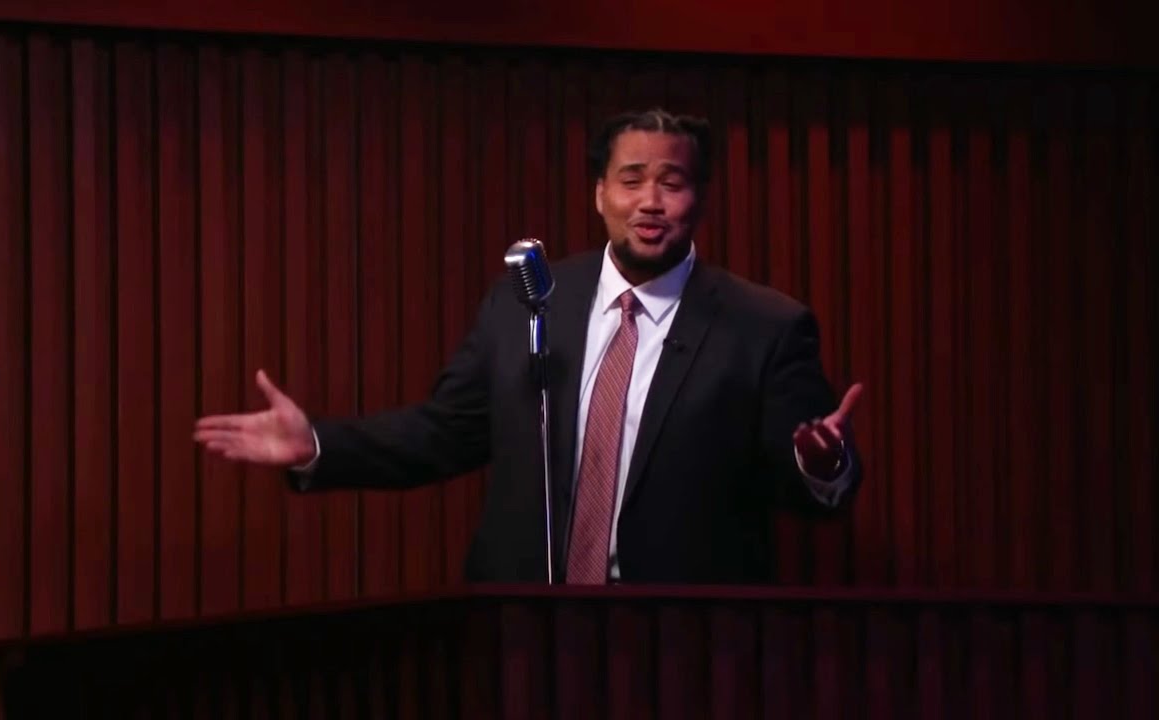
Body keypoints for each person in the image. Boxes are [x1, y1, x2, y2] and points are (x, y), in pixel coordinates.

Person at [194, 109, 863, 585]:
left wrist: (822, 466)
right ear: (600, 194)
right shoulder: (530, 303)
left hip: (685, 641)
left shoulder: (764, 326)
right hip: (521, 633)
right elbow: (444, 432)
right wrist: (318, 444)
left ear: (700, 198)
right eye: (631, 180)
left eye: (672, 182)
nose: (650, 201)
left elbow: (810, 482)